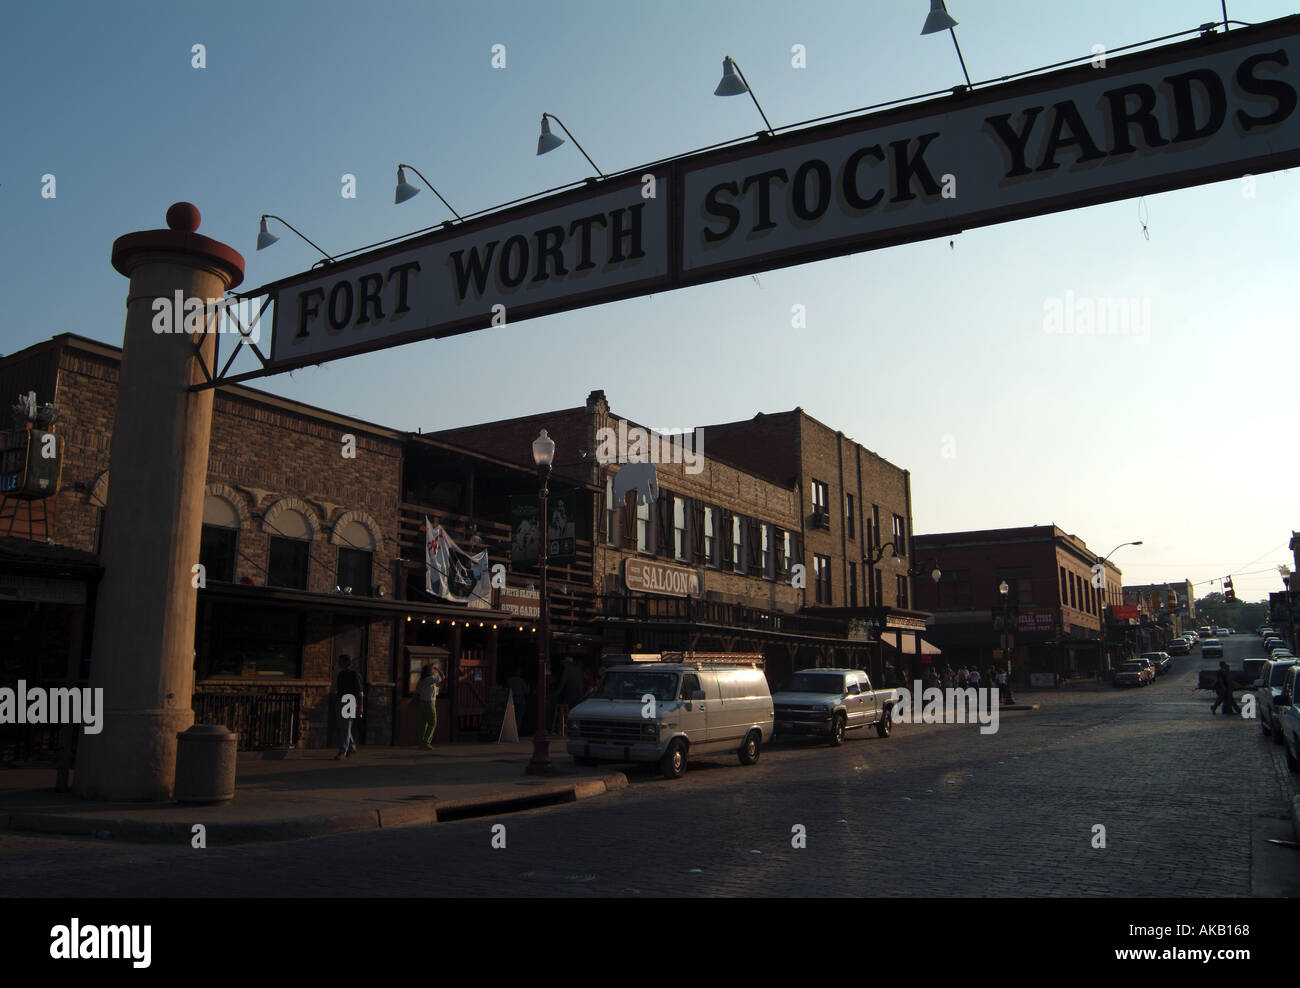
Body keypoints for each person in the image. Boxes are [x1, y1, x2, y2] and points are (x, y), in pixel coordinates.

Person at [335, 654, 363, 760]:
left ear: (346, 662)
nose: (339, 663)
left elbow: (360, 692)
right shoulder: (340, 674)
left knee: (346, 727)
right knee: (343, 727)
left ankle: (343, 751)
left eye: (341, 661)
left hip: (350, 701)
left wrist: (360, 706)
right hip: (341, 700)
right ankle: (351, 747)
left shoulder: (354, 674)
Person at [416, 663, 442, 748]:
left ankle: (421, 742)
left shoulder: (422, 680)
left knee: (424, 722)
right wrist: (438, 669)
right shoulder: (430, 679)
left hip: (422, 702)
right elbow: (443, 677)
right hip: (429, 702)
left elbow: (418, 691)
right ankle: (426, 742)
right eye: (432, 669)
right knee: (433, 722)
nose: (433, 671)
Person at [505, 666, 529, 733]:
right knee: (519, 717)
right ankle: (516, 731)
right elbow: (526, 691)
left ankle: (511, 730)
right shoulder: (521, 681)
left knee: (512, 716)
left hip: (512, 699)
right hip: (520, 700)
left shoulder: (509, 680)